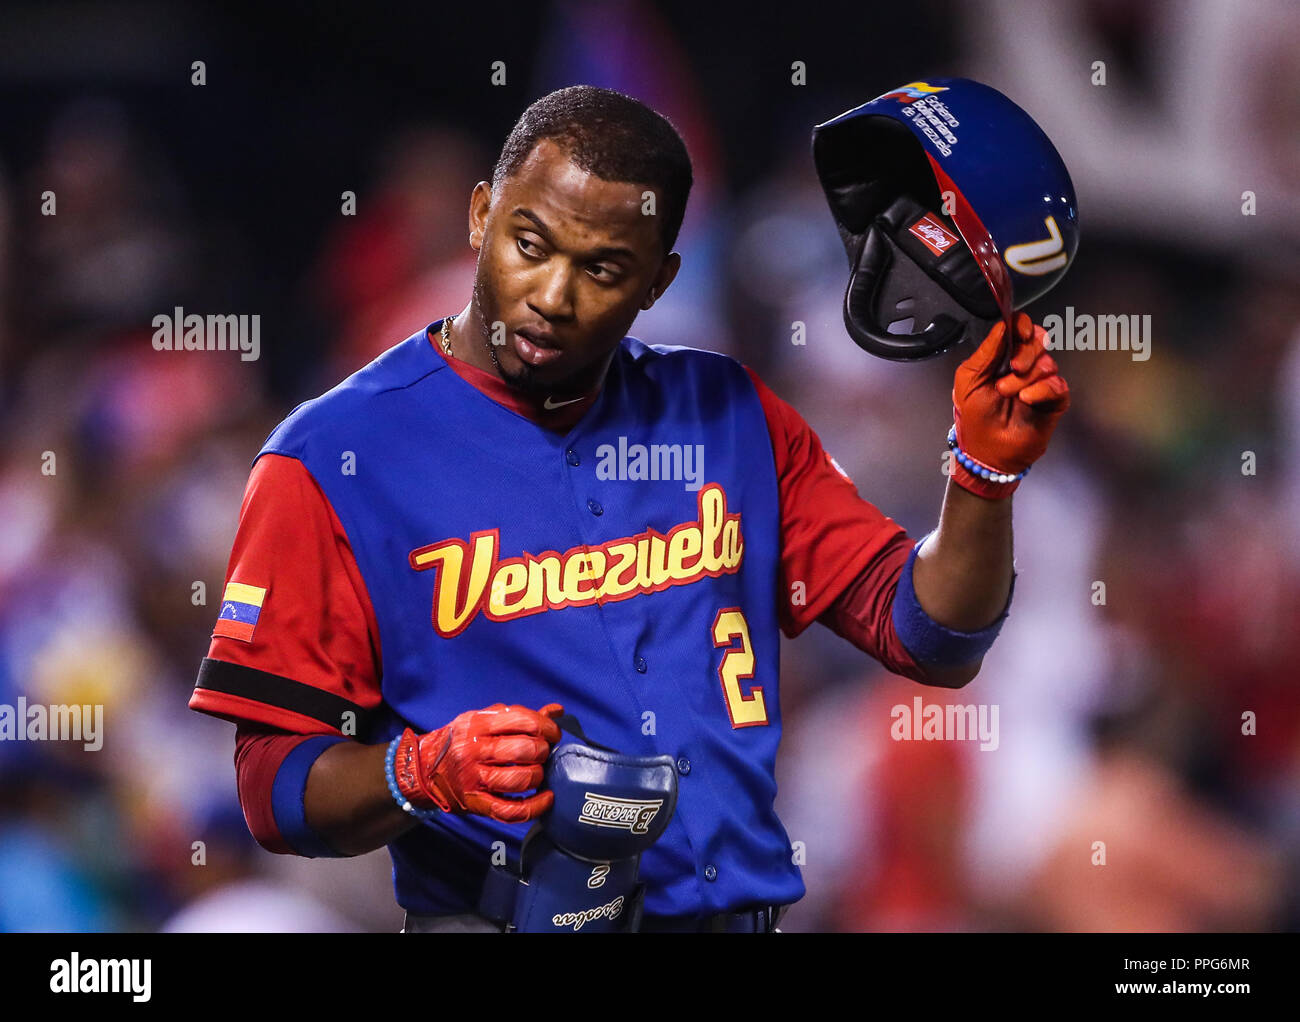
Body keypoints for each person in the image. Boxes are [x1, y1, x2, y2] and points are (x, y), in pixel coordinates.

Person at [188, 85, 1069, 933]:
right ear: (478, 215)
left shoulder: (726, 411)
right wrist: (416, 770)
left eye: (603, 268)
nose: (553, 296)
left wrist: (982, 476)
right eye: (529, 244)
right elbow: (273, 784)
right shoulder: (332, 458)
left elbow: (931, 635)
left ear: (659, 280)